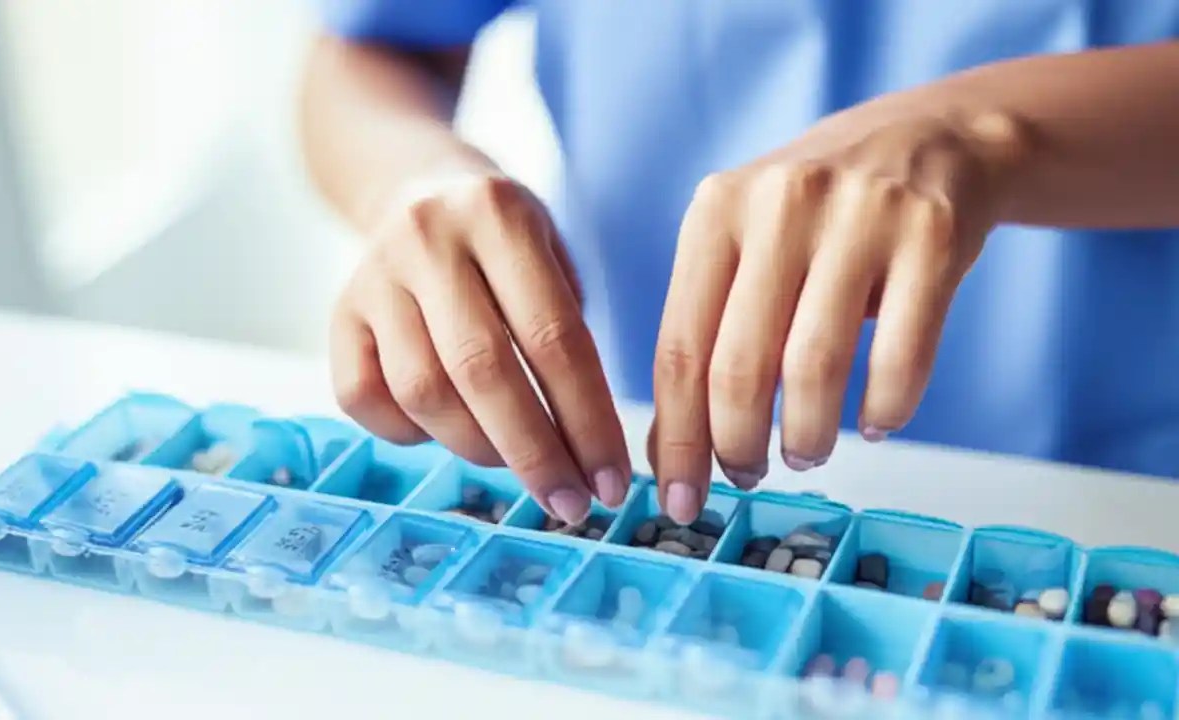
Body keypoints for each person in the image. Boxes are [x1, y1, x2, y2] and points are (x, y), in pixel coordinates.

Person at [300, 2, 1179, 527]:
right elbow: (375, 45)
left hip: (1129, 502)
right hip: (654, 473)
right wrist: (413, 183)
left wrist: (992, 134)